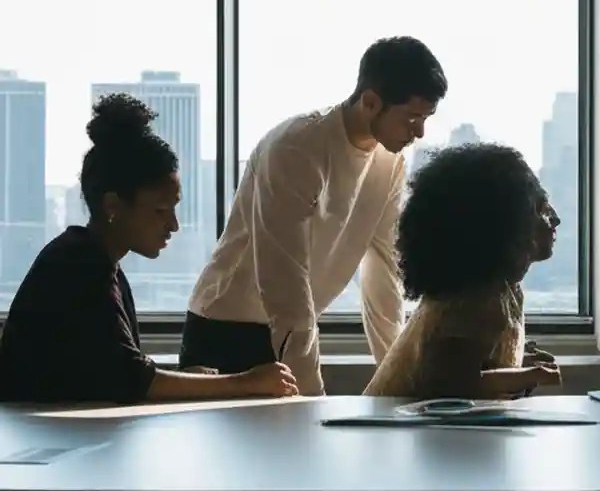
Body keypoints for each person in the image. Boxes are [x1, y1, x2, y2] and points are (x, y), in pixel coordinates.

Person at [180, 36, 447, 395]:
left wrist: (398, 381)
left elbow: (384, 273)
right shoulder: (297, 149)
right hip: (226, 329)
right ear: (370, 102)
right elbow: (284, 282)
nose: (419, 132)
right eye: (412, 118)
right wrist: (311, 396)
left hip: (289, 324)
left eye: (425, 118)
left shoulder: (390, 163)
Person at [0, 94, 297, 403]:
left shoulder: (94, 260)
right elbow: (132, 379)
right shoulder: (79, 267)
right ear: (113, 205)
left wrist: (192, 378)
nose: (173, 225)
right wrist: (244, 383)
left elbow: (115, 370)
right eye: (160, 211)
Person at [363, 143, 562, 398]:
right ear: (502, 224)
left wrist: (517, 364)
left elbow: (468, 369)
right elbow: (449, 386)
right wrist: (527, 377)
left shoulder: (500, 291)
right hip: (397, 431)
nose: (554, 219)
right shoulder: (469, 302)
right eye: (539, 210)